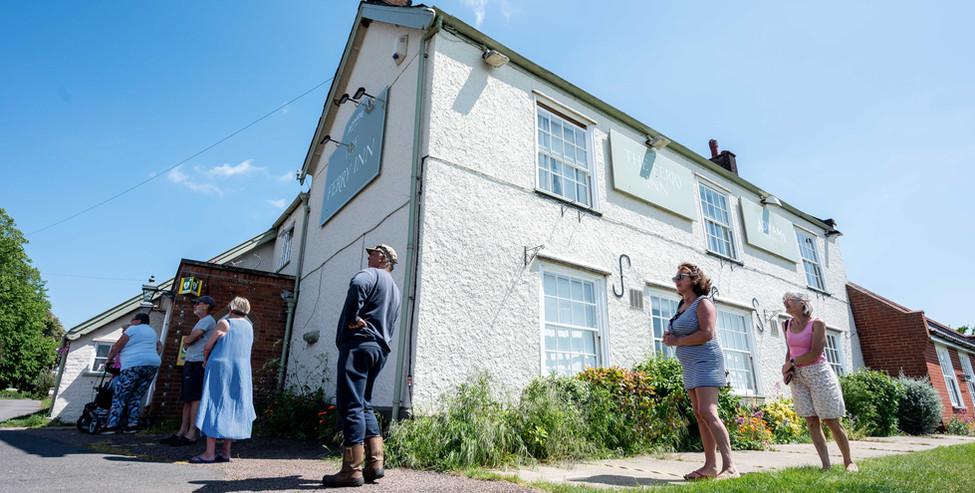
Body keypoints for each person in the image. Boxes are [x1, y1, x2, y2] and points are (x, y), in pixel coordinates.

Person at [322, 244, 402, 488]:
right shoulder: (395, 289)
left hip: (358, 345)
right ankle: (375, 463)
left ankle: (351, 470)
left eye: (372, 254)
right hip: (379, 350)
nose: (368, 258)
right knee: (364, 403)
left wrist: (353, 318)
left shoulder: (370, 274)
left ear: (382, 258)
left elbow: (357, 285)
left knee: (351, 404)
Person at [663, 263, 738, 480]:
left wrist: (678, 341)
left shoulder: (703, 302)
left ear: (695, 279)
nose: (676, 280)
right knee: (699, 413)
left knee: (708, 411)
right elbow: (683, 334)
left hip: (706, 361)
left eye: (681, 276)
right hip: (690, 365)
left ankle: (731, 467)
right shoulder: (682, 306)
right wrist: (670, 338)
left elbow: (707, 333)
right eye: (675, 277)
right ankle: (710, 467)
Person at [781, 292, 857, 472]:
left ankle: (849, 462)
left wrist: (792, 363)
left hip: (818, 373)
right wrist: (787, 368)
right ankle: (826, 465)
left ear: (802, 303)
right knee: (811, 421)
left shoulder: (817, 323)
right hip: (798, 376)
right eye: (784, 300)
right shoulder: (786, 324)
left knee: (831, 420)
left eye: (789, 299)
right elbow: (790, 350)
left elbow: (815, 352)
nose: (785, 302)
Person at [190, 296, 256, 464]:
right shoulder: (249, 326)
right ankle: (226, 452)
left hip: (220, 369)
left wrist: (205, 361)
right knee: (232, 406)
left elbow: (208, 346)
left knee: (214, 404)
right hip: (241, 371)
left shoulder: (225, 323)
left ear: (230, 309)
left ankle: (209, 453)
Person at [160, 295, 217, 447]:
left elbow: (189, 339)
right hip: (190, 362)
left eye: (197, 304)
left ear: (206, 306)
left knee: (195, 398)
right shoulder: (201, 321)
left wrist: (189, 339)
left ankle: (191, 434)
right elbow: (188, 342)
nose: (194, 306)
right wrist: (190, 340)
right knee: (187, 399)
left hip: (198, 363)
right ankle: (182, 432)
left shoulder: (207, 320)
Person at [103, 312, 162, 434]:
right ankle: (132, 425)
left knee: (120, 395)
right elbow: (159, 346)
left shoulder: (132, 329)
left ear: (139, 321)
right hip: (152, 365)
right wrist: (152, 356)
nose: (131, 322)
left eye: (133, 320)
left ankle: (112, 425)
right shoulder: (152, 332)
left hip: (133, 365)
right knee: (136, 395)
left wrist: (109, 360)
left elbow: (116, 346)